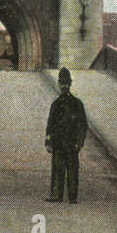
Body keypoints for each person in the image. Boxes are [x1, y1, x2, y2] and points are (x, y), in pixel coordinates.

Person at [44, 67, 88, 204]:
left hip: (71, 142)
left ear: (70, 84)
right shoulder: (56, 104)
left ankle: (72, 196)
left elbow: (82, 125)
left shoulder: (77, 104)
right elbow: (50, 124)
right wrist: (48, 141)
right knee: (57, 169)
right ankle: (56, 195)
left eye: (66, 83)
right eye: (62, 83)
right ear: (59, 84)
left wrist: (79, 142)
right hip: (58, 142)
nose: (64, 86)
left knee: (72, 170)